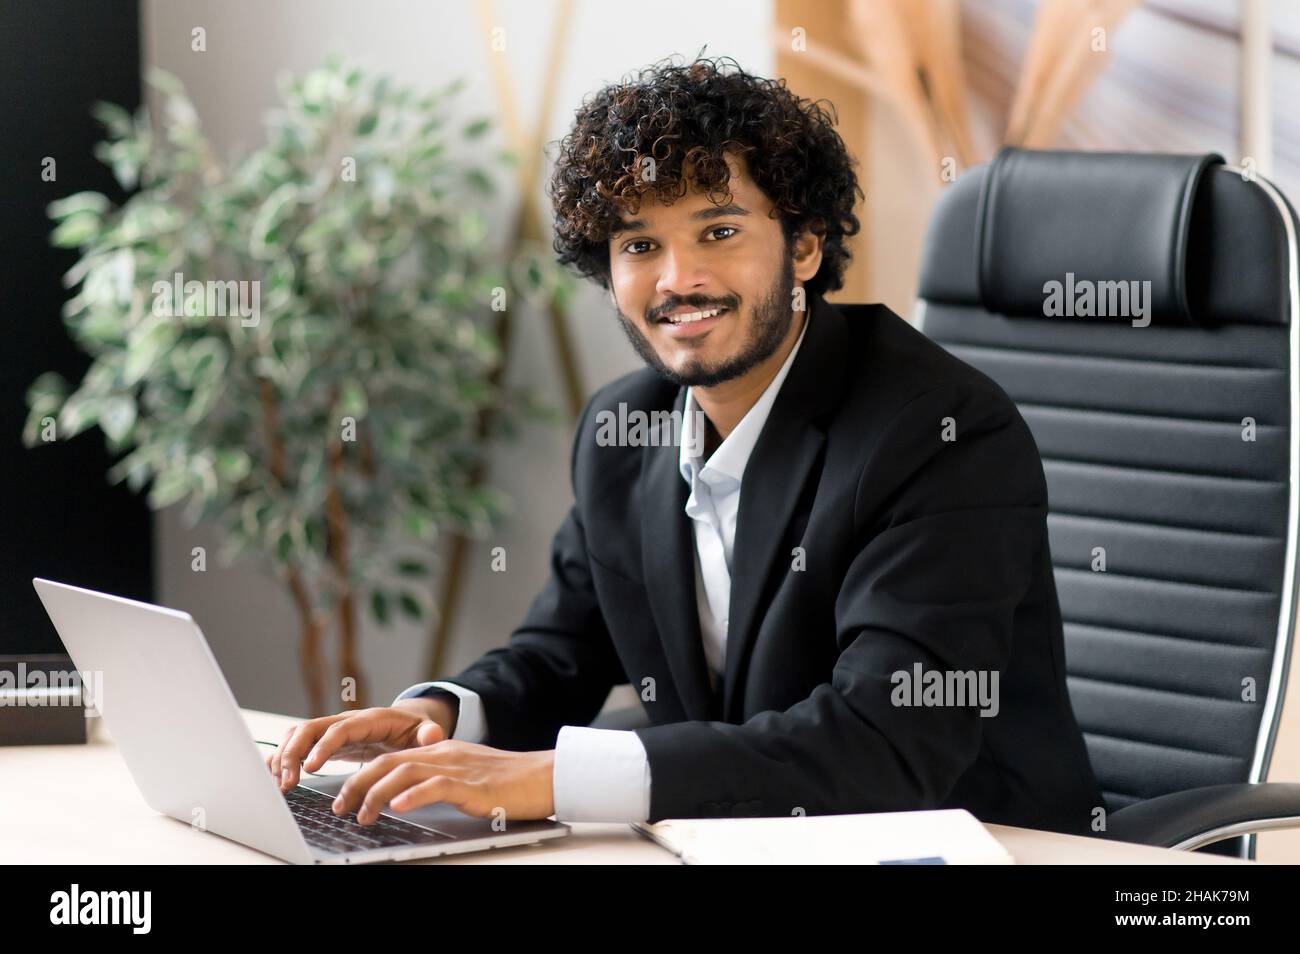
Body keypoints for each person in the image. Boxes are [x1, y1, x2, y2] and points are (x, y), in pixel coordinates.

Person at [267, 55, 1103, 835]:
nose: (677, 279)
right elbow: (564, 649)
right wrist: (443, 714)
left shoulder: (937, 433)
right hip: (734, 839)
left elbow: (884, 742)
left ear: (804, 246)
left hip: (973, 842)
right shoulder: (624, 429)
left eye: (718, 232)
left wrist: (550, 779)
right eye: (640, 245)